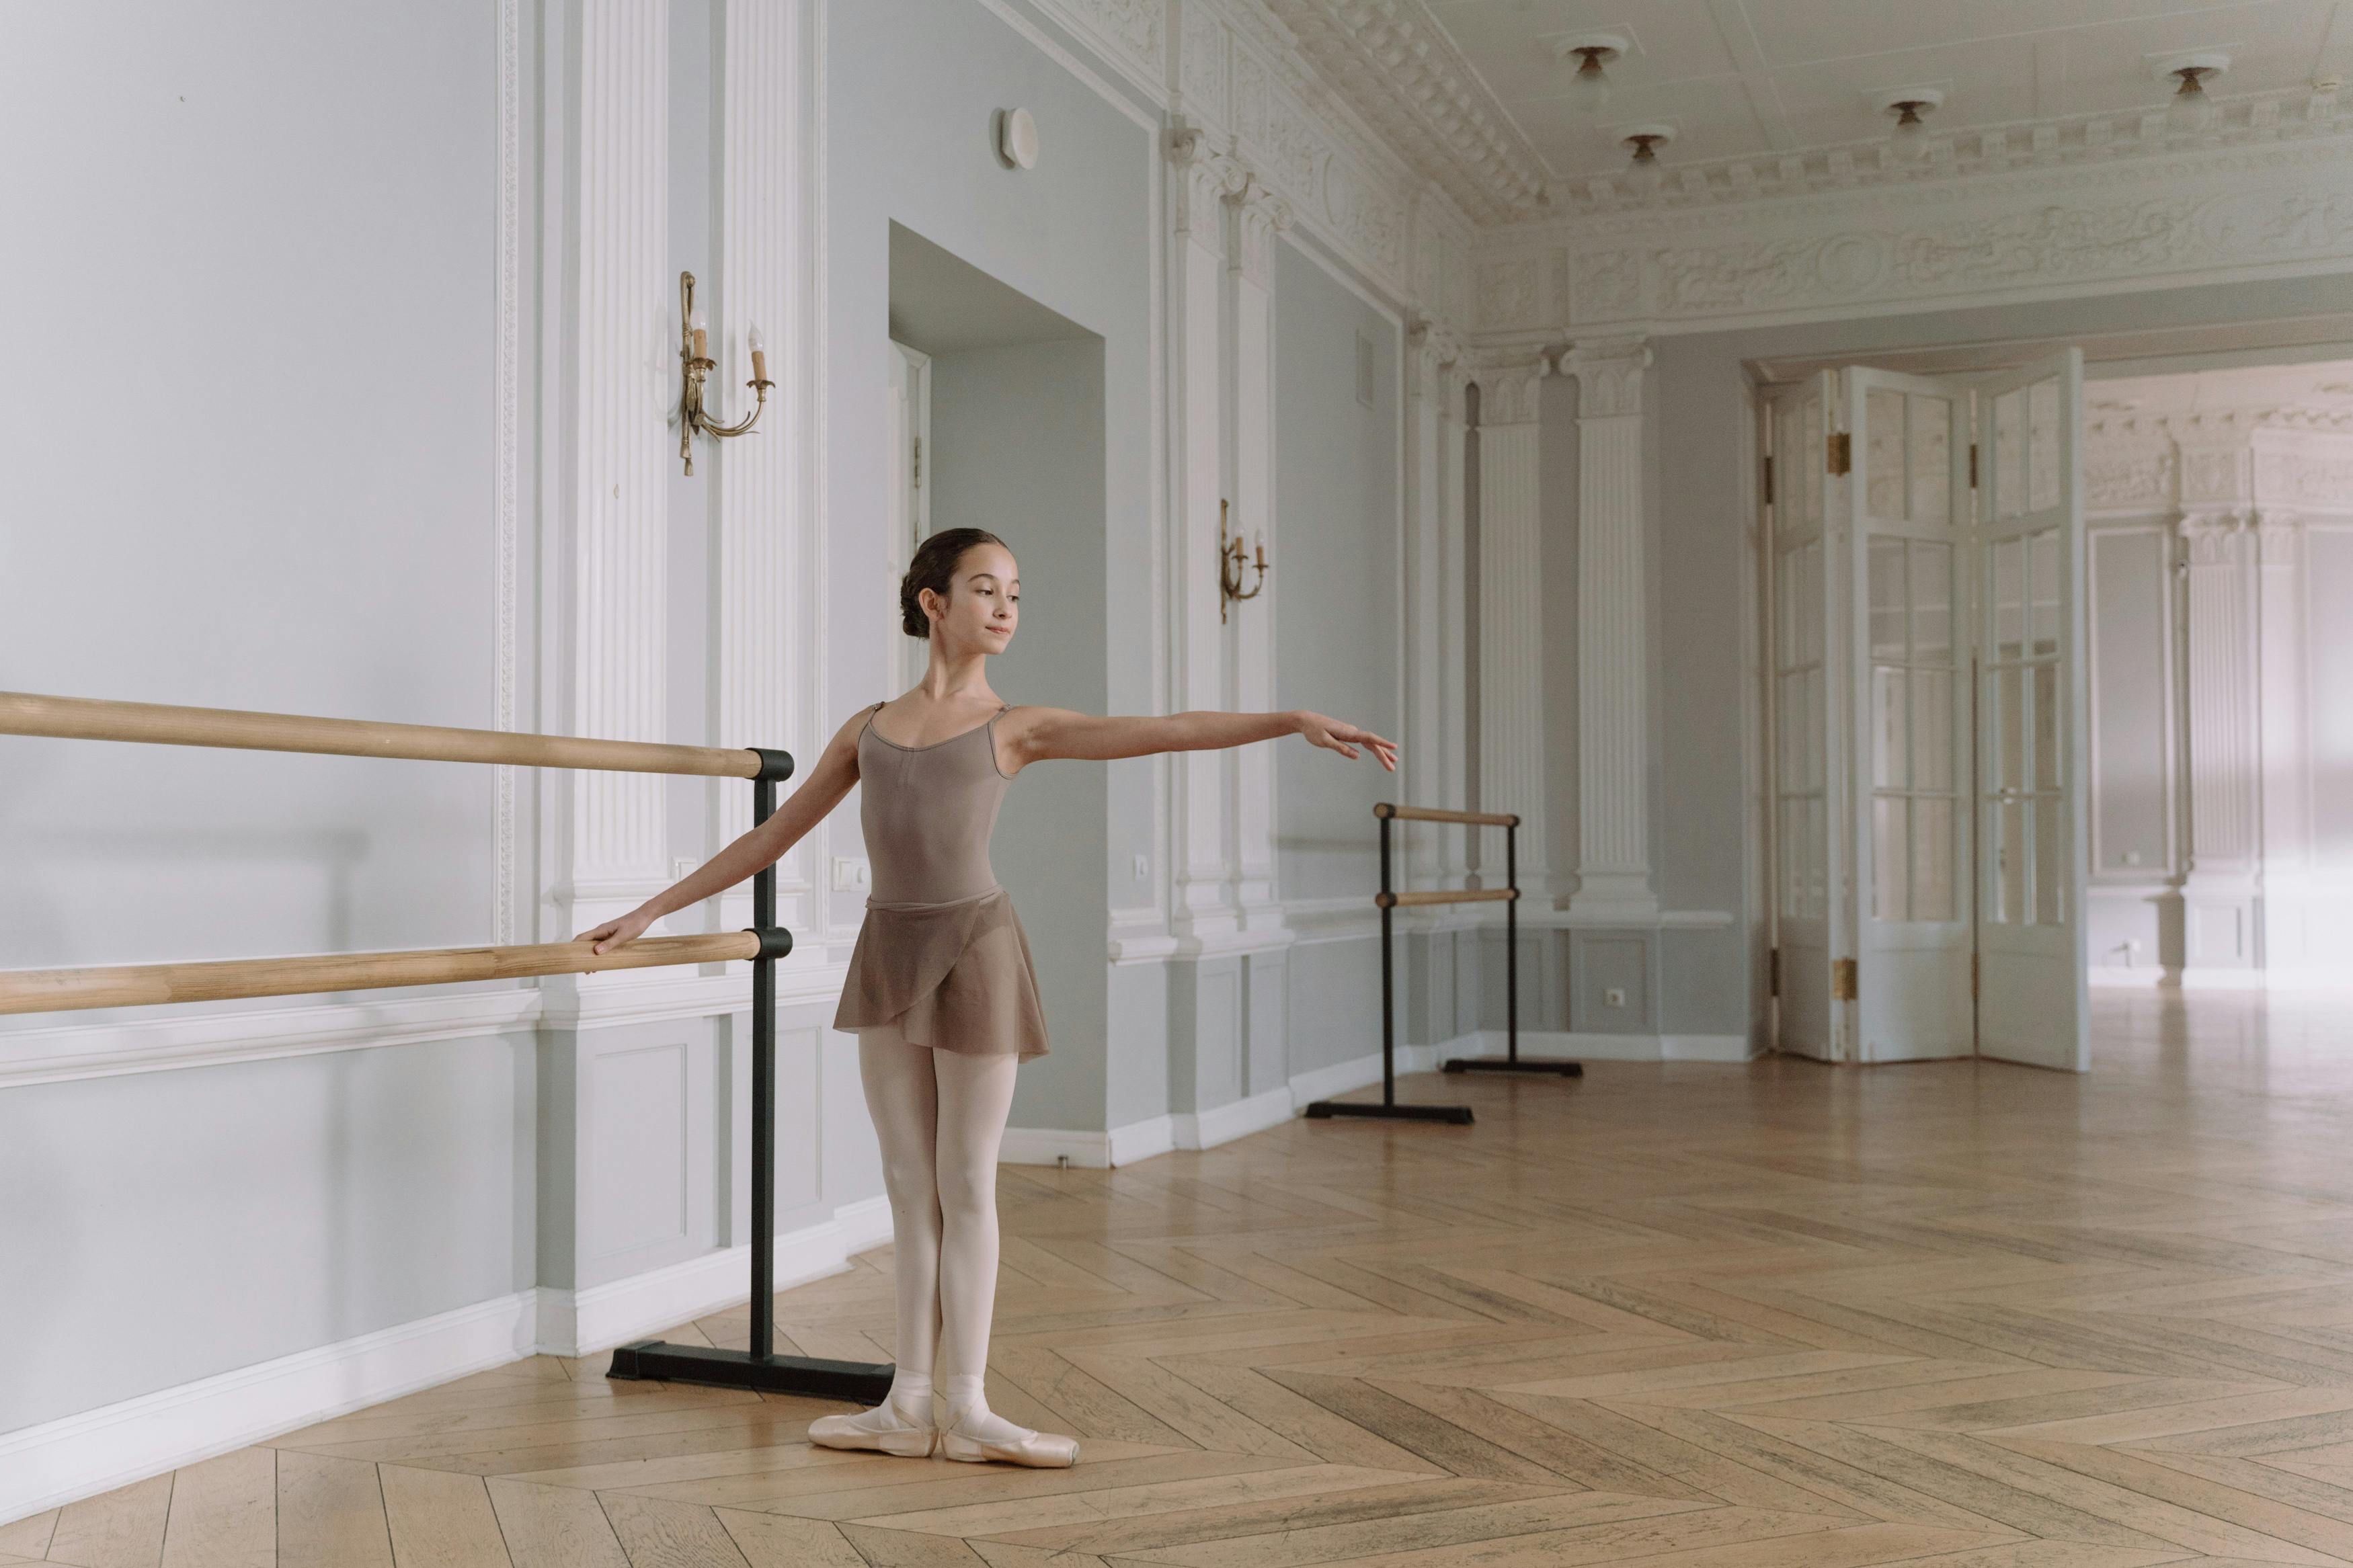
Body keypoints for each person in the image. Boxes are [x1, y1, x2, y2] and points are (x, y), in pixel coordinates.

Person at [577, 526, 1398, 1467]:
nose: (1006, 607)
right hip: (888, 948)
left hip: (977, 947)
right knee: (905, 1184)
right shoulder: (867, 728)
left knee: (965, 1181)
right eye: (985, 589)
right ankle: (906, 1401)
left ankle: (966, 1403)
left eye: (1015, 592)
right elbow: (771, 840)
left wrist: (1289, 719)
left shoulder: (1017, 726)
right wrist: (650, 910)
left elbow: (1165, 730)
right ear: (933, 603)